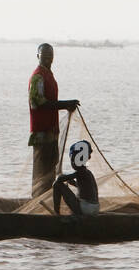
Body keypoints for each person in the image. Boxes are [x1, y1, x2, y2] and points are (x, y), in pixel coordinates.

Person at [28, 43, 79, 197]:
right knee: (41, 173)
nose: (48, 58)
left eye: (50, 56)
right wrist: (65, 104)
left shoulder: (48, 74)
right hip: (41, 134)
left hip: (51, 132)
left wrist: (67, 105)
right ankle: (37, 203)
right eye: (44, 56)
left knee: (50, 173)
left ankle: (46, 202)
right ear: (38, 56)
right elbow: (38, 103)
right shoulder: (38, 77)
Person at [53, 140, 99, 218]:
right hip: (94, 208)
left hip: (86, 208)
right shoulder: (87, 172)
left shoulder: (79, 172)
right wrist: (73, 183)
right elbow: (85, 189)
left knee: (56, 184)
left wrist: (62, 176)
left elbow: (59, 179)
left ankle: (56, 214)